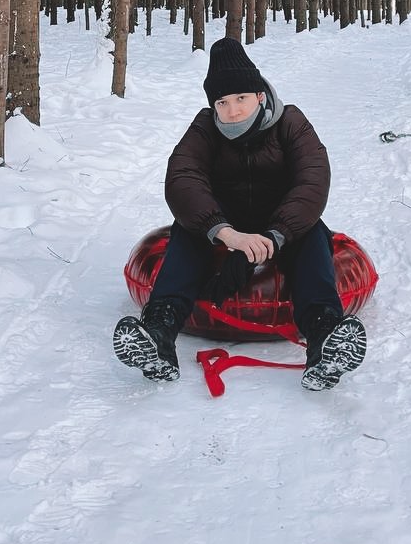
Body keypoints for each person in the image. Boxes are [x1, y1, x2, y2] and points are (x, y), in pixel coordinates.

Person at [113, 37, 367, 391]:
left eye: (241, 99)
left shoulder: (290, 122)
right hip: (225, 223)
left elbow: (313, 179)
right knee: (186, 234)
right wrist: (224, 232)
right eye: (223, 101)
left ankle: (325, 340)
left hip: (280, 222)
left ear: (260, 96)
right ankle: (158, 336)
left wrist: (276, 234)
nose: (232, 110)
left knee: (311, 238)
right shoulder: (205, 127)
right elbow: (183, 178)